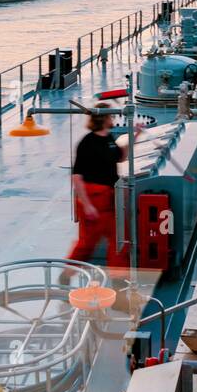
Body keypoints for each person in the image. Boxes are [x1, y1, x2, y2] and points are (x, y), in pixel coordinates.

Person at [66, 105, 139, 272]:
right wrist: (87, 205)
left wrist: (136, 135)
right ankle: (68, 272)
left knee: (118, 239)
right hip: (94, 197)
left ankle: (118, 278)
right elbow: (77, 176)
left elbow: (121, 157)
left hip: (110, 198)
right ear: (103, 119)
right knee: (87, 243)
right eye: (110, 116)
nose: (112, 119)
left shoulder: (109, 139)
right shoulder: (87, 143)